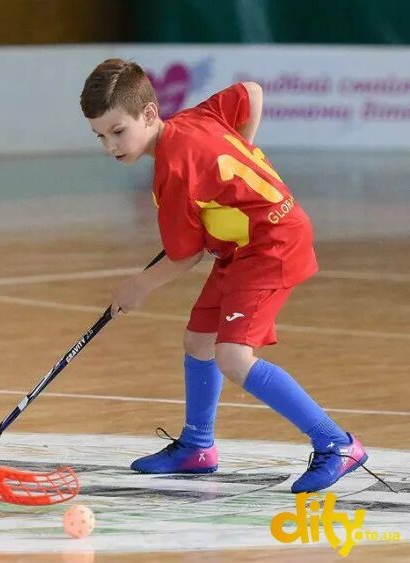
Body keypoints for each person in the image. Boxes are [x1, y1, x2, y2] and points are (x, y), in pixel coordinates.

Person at [79, 59, 367, 493]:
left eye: (118, 131)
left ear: (151, 113)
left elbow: (187, 252)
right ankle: (197, 447)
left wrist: (138, 285)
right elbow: (251, 92)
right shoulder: (196, 117)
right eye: (100, 136)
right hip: (246, 244)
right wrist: (238, 153)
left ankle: (337, 444)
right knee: (198, 340)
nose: (110, 146)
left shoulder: (173, 170)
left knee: (233, 357)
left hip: (271, 245)